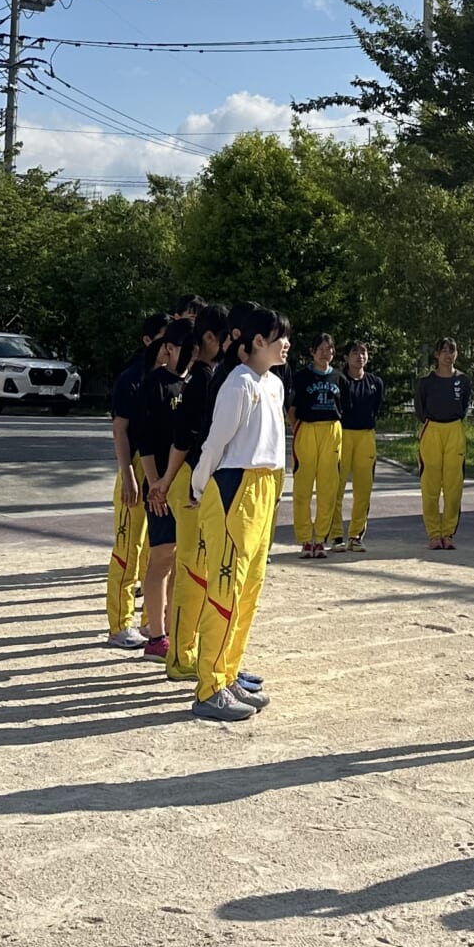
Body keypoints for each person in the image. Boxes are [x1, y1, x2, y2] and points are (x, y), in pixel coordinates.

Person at [189, 303, 292, 721]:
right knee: (226, 588)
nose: (286, 344)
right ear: (257, 342)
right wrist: (199, 486)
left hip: (265, 488)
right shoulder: (239, 383)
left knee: (249, 588)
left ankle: (228, 672)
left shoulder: (274, 384)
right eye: (279, 337)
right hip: (234, 489)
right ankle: (209, 688)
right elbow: (215, 443)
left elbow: (274, 446)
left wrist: (278, 490)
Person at [167, 307, 242, 686]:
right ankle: (180, 655)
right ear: (211, 338)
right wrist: (167, 481)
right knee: (192, 572)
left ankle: (195, 649)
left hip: (203, 481)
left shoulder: (214, 376)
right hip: (191, 480)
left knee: (205, 572)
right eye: (227, 338)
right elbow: (185, 438)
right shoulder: (201, 379)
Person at [104, 311, 173, 648]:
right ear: (148, 341)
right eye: (163, 340)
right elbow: (120, 430)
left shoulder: (171, 379)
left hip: (160, 470)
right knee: (128, 548)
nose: (169, 348)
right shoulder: (131, 378)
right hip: (135, 466)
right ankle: (119, 624)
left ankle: (151, 621)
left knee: (155, 549)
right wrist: (128, 474)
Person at [133, 318, 192, 659]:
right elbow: (144, 441)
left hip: (188, 484)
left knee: (184, 560)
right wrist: (155, 485)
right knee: (162, 558)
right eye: (184, 347)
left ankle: (173, 627)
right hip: (160, 485)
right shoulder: (153, 384)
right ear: (168, 348)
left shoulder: (198, 382)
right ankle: (156, 635)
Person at [288, 333, 345, 560]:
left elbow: (345, 407)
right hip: (307, 429)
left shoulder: (339, 377)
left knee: (328, 488)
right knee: (303, 487)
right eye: (320, 349)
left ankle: (320, 539)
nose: (324, 353)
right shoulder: (301, 377)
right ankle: (305, 539)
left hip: (331, 430)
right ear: (312, 352)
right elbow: (291, 408)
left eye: (328, 349)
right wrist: (297, 427)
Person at [415, 338, 470, 550]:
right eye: (444, 351)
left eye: (452, 351)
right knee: (430, 485)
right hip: (432, 430)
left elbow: (464, 406)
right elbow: (420, 408)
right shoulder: (426, 381)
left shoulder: (463, 380)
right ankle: (433, 534)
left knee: (453, 486)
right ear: (437, 355)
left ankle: (448, 533)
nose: (448, 355)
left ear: (456, 354)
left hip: (454, 430)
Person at [335, 339, 384, 551]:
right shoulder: (339, 379)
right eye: (355, 352)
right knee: (336, 487)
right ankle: (336, 535)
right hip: (342, 434)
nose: (359, 356)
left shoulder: (375, 382)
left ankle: (355, 535)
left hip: (366, 436)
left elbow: (376, 407)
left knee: (363, 489)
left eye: (363, 352)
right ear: (346, 357)